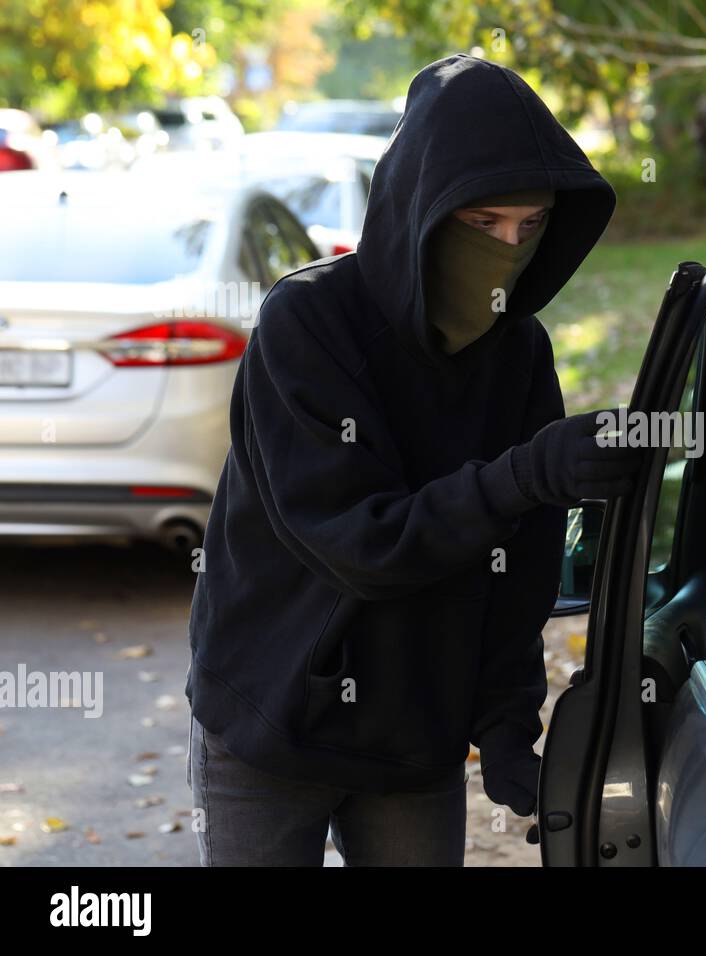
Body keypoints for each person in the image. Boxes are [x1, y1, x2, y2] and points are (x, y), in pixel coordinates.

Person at [184, 54, 642, 866]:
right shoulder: (308, 327)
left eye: (529, 227)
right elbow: (360, 545)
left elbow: (518, 567)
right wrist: (525, 475)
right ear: (419, 211)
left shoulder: (519, 355)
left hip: (412, 742)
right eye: (483, 224)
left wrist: (505, 726)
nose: (507, 249)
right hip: (268, 721)